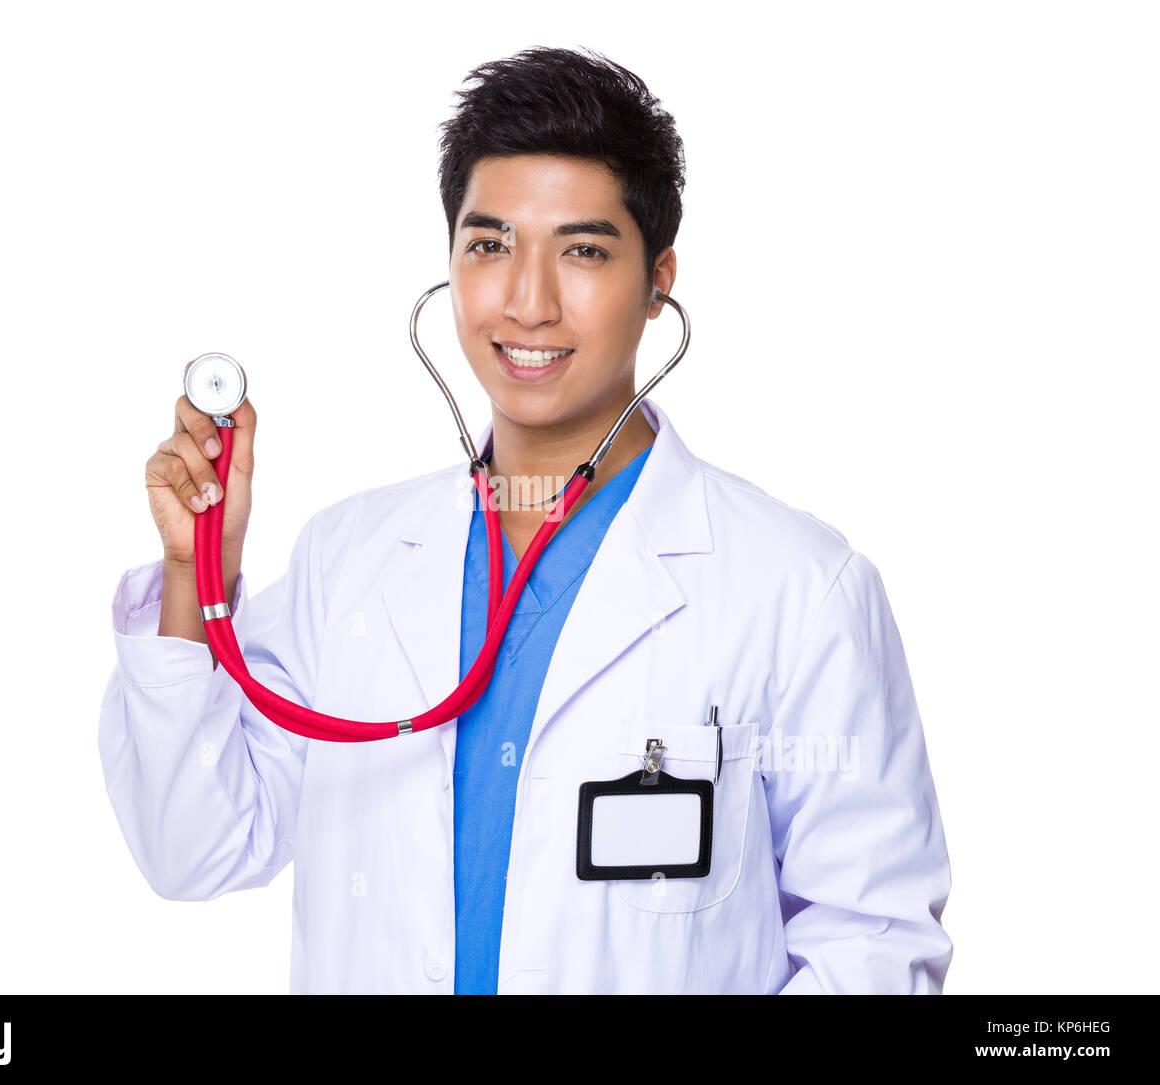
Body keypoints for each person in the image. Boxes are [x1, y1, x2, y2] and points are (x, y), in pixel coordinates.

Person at [99, 45, 953, 994]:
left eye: (583, 251)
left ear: (659, 277)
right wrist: (193, 571)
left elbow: (872, 944)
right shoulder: (352, 560)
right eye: (490, 245)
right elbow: (194, 847)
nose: (528, 302)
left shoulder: (796, 589)